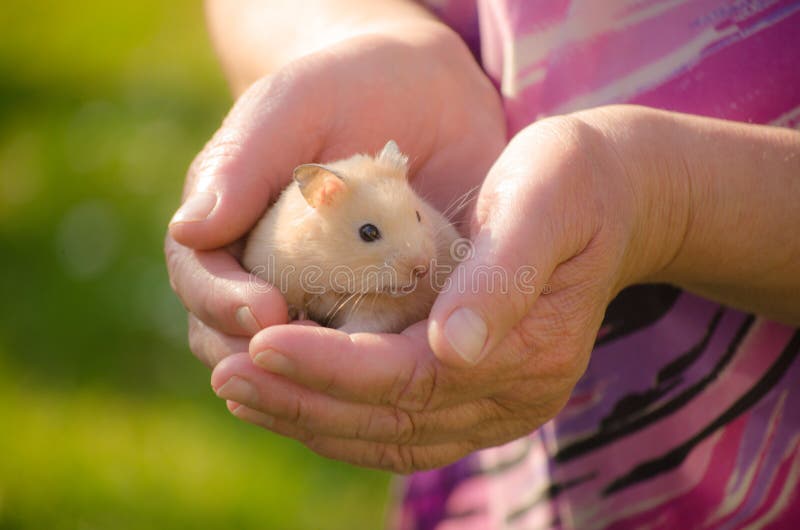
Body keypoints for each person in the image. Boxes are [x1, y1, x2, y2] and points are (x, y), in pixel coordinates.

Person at [165, 1, 800, 528]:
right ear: (320, 200)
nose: (420, 260)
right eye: (371, 234)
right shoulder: (303, 232)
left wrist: (670, 201)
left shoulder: (414, 229)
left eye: (416, 219)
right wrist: (353, 35)